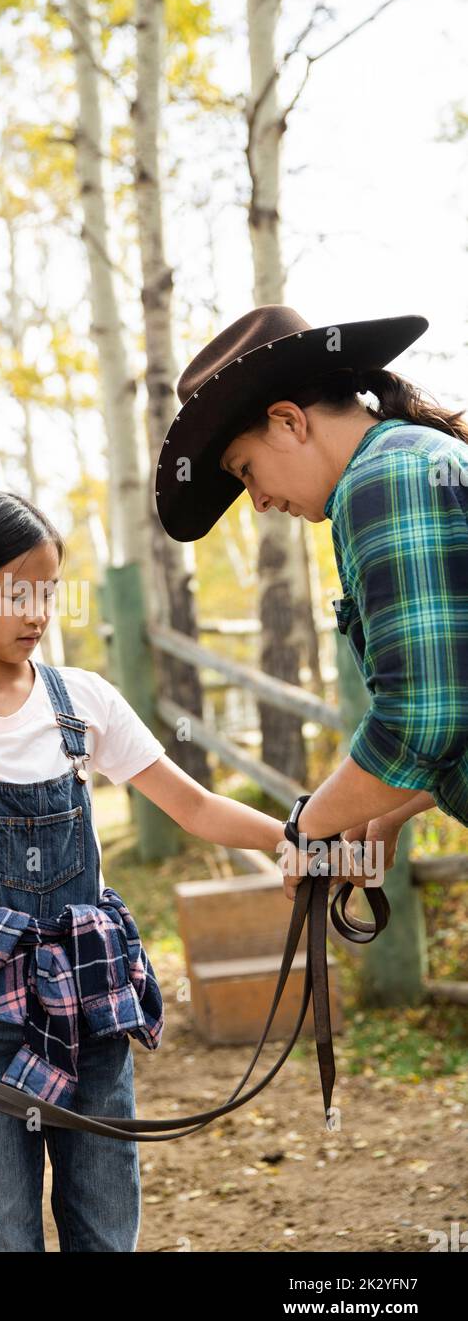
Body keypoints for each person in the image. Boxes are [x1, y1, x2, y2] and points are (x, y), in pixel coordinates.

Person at [0, 487, 290, 1253]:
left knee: (104, 1223)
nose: (38, 612)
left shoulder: (83, 702)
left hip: (90, 1001)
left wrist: (297, 841)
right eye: (15, 592)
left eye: (49, 591)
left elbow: (192, 806)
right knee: (0, 1232)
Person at [154, 304, 468, 886]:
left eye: (246, 470)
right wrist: (390, 807)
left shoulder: (382, 481)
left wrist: (307, 828)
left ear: (289, 421)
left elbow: (421, 721)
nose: (260, 501)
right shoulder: (416, 461)